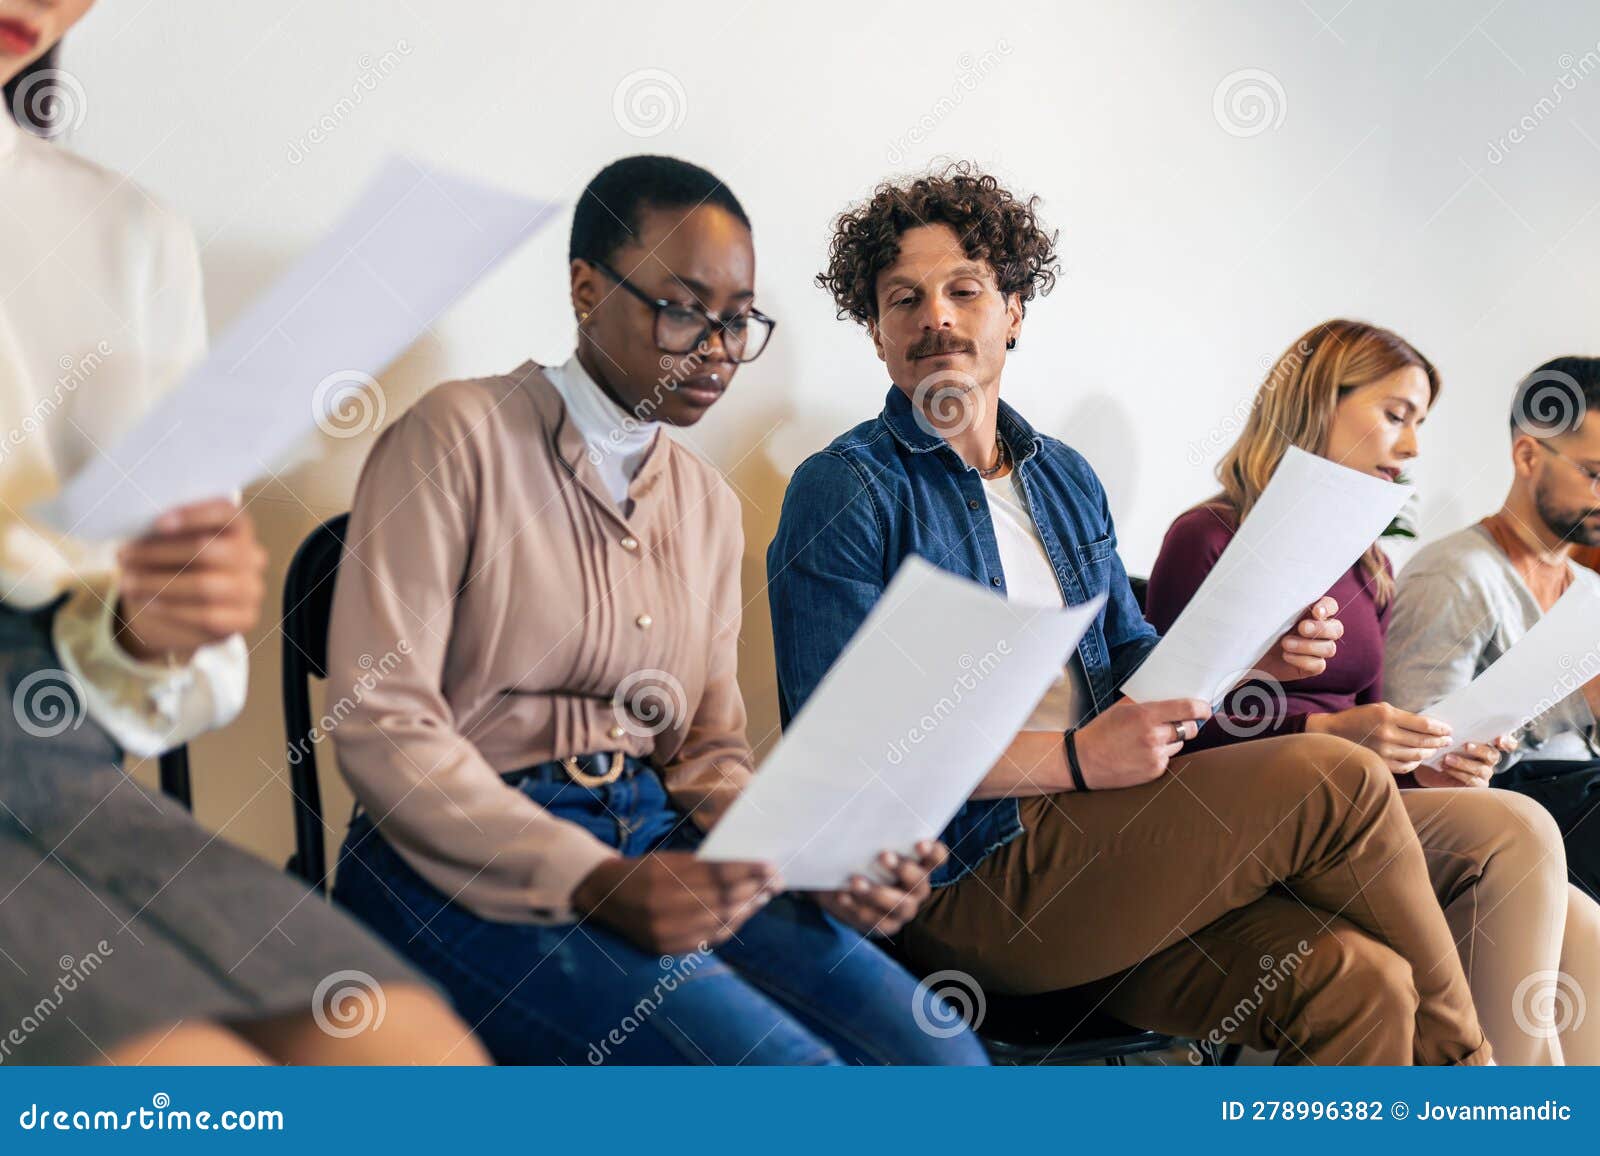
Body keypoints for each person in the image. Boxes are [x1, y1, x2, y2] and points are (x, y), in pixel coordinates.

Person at [767, 163, 1494, 1065]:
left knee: (1360, 983)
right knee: (1337, 780)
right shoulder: (846, 488)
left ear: (1014, 312)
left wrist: (1252, 664)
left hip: (1106, 860)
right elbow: (833, 757)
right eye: (903, 298)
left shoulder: (1064, 478)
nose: (936, 318)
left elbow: (1136, 663)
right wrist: (1075, 755)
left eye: (965, 290)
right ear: (876, 332)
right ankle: (1473, 1078)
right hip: (965, 877)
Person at [326, 154, 987, 1066]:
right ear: (587, 289)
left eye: (739, 318)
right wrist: (591, 879)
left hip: (655, 837)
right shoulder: (455, 437)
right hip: (452, 865)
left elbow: (707, 754)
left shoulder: (707, 505)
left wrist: (814, 862)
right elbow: (383, 727)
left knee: (941, 1058)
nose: (718, 347)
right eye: (684, 309)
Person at [0, 0, 486, 1065]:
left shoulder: (124, 236)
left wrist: (146, 627)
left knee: (420, 1060)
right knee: (192, 1087)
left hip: (60, 774)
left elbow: (170, 674)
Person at [1147, 320, 1600, 1065]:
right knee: (1521, 831)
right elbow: (1168, 734)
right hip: (1262, 822)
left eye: (1420, 423)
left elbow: (1379, 730)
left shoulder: (1368, 565)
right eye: (1396, 415)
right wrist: (1329, 732)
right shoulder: (1209, 537)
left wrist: (1435, 761)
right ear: (1320, 402)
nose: (1414, 447)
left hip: (1365, 806)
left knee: (1576, 920)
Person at [1387, 357, 1600, 916]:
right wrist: (1580, 697)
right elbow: (1417, 758)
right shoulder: (1455, 574)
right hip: (1510, 810)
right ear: (1528, 455)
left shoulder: (1589, 589)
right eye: (1596, 474)